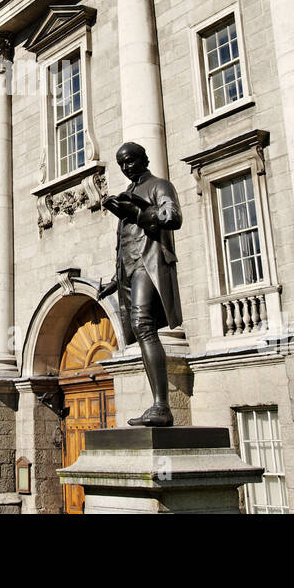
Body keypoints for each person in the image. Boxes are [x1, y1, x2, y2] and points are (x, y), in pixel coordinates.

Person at [97, 142, 183, 427]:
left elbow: (172, 217)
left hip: (150, 264)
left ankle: (162, 405)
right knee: (139, 327)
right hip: (130, 271)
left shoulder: (159, 185)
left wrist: (134, 213)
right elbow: (128, 243)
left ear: (144, 159)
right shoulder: (128, 194)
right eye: (121, 163)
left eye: (130, 161)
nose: (126, 167)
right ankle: (158, 404)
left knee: (144, 324)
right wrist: (113, 281)